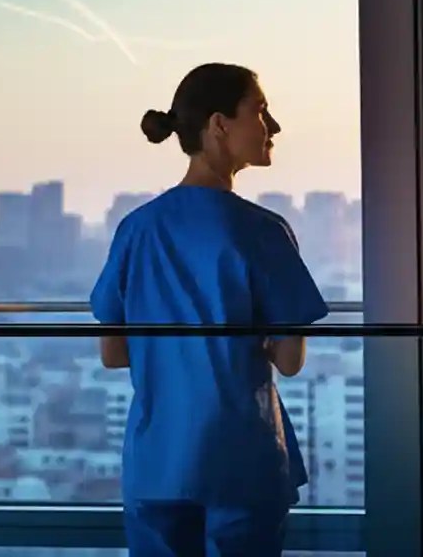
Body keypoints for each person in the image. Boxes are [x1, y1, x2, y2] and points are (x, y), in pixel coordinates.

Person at [89, 62, 328, 557]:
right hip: (240, 458)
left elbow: (113, 353)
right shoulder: (262, 230)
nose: (273, 126)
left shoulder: (136, 228)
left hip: (157, 461)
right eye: (260, 110)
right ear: (219, 124)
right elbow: (290, 360)